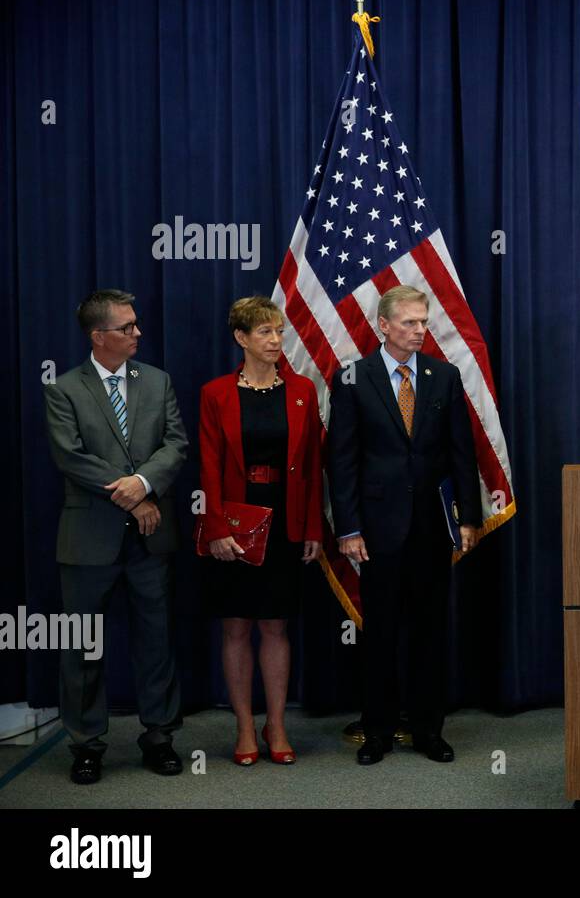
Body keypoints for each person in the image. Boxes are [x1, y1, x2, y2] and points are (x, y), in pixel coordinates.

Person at [327, 285, 482, 765]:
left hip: (433, 527)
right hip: (376, 529)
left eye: (424, 321)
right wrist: (349, 528)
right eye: (411, 322)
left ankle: (427, 730)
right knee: (381, 633)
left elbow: (462, 451)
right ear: (384, 326)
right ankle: (378, 730)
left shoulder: (445, 376)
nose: (421, 330)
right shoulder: (353, 378)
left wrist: (470, 517)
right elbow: (342, 459)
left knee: (429, 631)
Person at [43, 289, 189, 785]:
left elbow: (175, 444)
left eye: (136, 325)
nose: (137, 334)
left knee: (157, 641)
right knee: (82, 647)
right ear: (98, 336)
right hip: (88, 540)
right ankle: (86, 744)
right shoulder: (64, 390)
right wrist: (133, 494)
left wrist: (145, 483)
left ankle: (160, 737)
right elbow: (71, 457)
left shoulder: (158, 381)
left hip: (150, 541)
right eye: (127, 327)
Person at [198, 297, 324, 766]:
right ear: (241, 338)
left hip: (286, 521)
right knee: (236, 627)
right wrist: (215, 528)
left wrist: (312, 526)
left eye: (279, 332)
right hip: (235, 525)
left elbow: (313, 466)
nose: (276, 341)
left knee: (276, 626)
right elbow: (208, 466)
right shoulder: (215, 393)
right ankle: (245, 726)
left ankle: (277, 724)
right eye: (266, 332)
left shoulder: (302, 390)